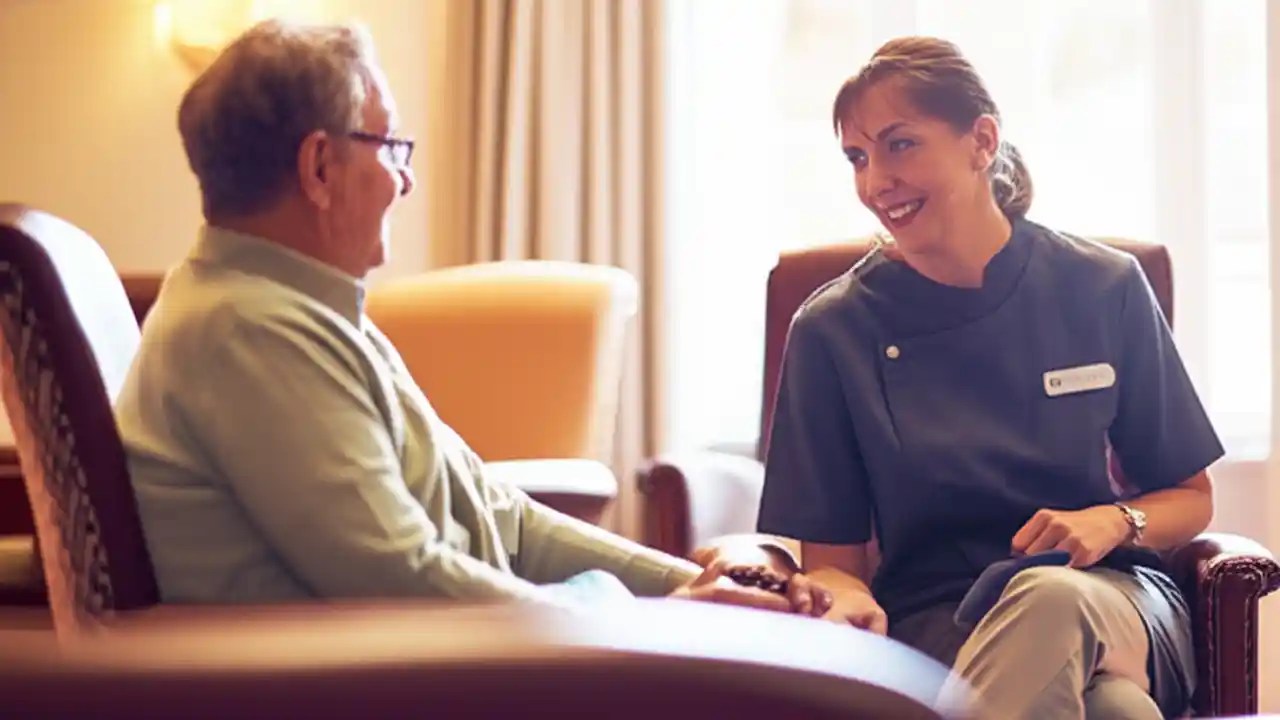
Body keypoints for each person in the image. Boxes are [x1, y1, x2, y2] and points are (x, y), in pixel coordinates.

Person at [115, 20, 831, 619]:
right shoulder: (247, 333)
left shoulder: (299, 310)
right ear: (320, 168)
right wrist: (634, 626)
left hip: (465, 655)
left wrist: (686, 583)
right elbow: (398, 578)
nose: (406, 178)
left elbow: (501, 515)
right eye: (389, 146)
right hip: (400, 681)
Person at [755, 37, 1219, 719]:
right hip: (936, 626)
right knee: (1119, 712)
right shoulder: (833, 330)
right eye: (858, 157)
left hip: (1112, 600)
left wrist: (1114, 520)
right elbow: (833, 561)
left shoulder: (1103, 286)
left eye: (900, 145)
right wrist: (837, 595)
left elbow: (1191, 496)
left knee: (1049, 598)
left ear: (981, 141)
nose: (874, 181)